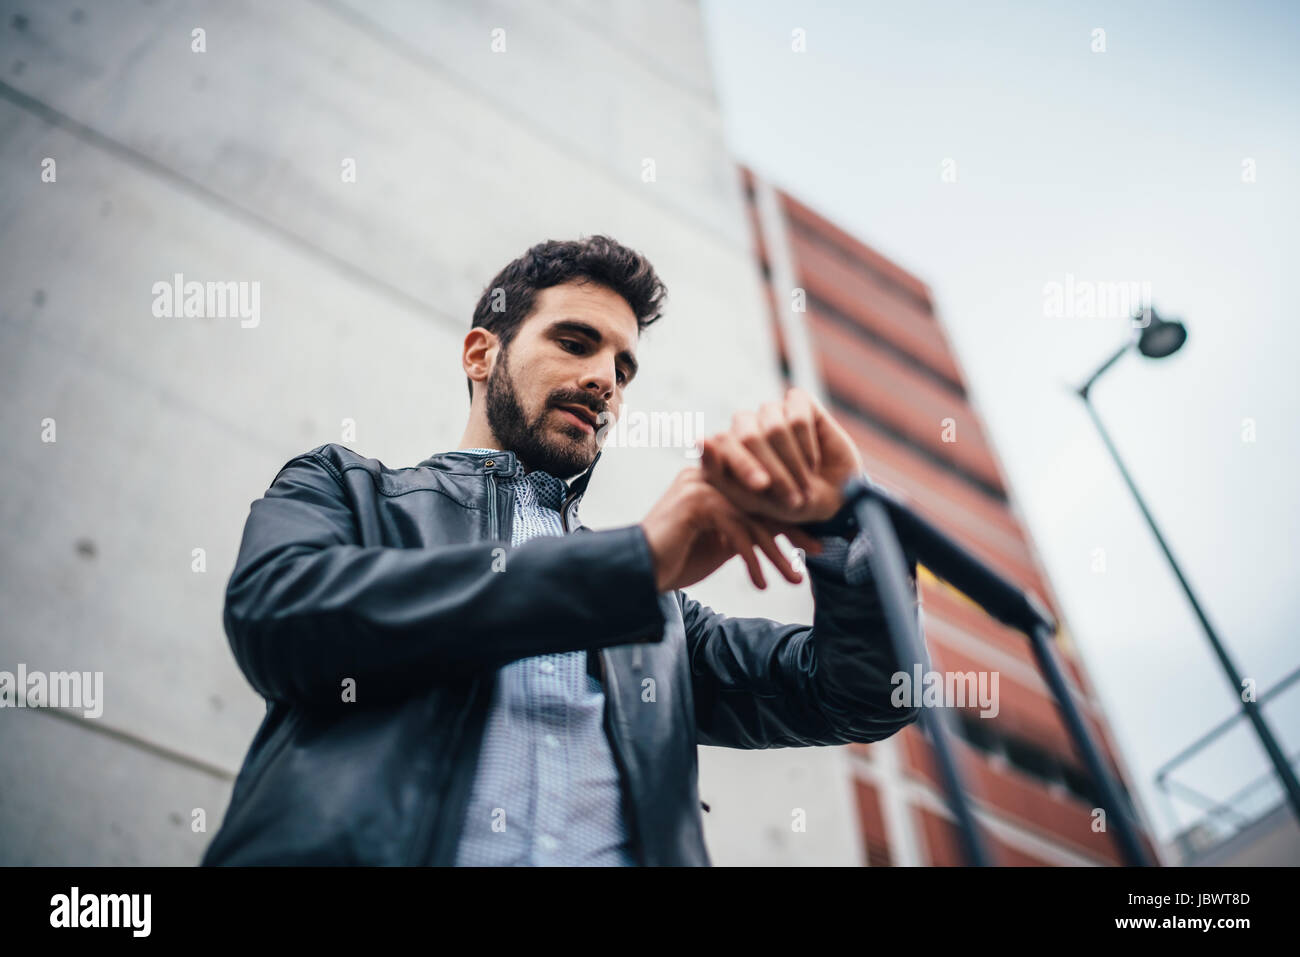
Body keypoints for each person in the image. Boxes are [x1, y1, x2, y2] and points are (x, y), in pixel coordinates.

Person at [200, 235, 925, 866]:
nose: (605, 381)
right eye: (576, 343)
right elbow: (280, 617)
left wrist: (849, 528)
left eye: (624, 368)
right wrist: (632, 566)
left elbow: (859, 695)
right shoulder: (346, 488)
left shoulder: (662, 618)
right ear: (482, 353)